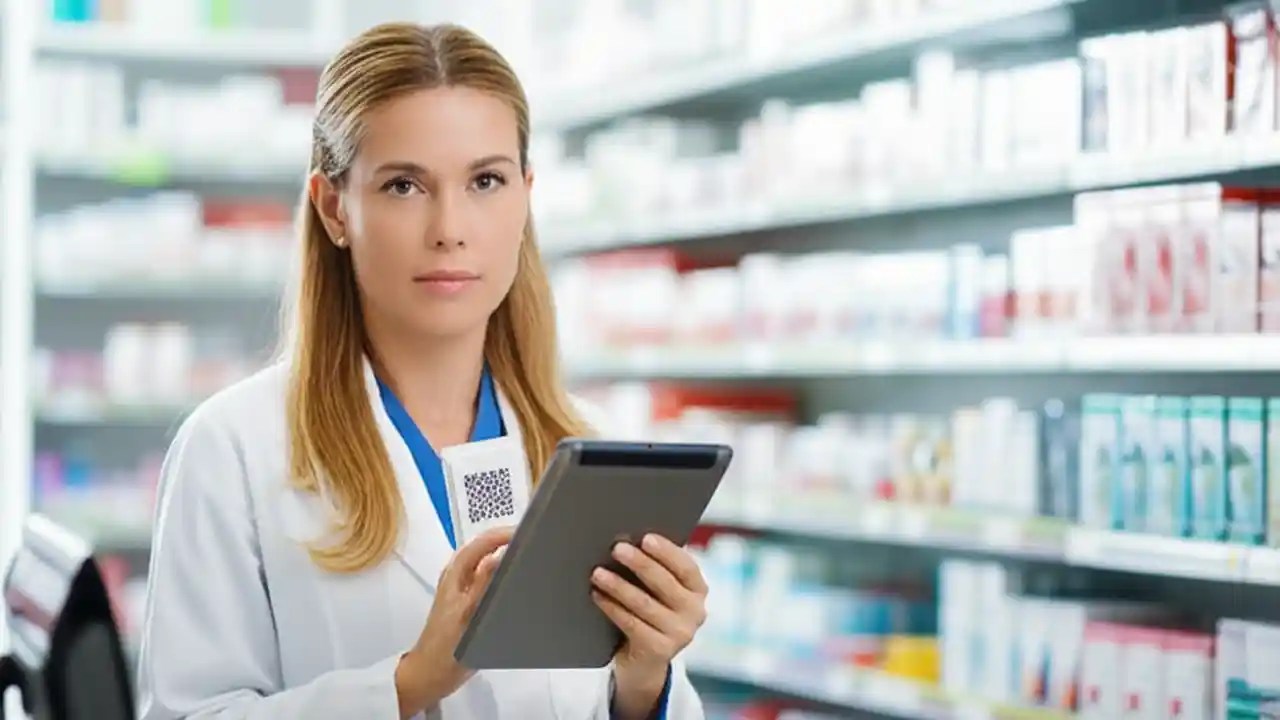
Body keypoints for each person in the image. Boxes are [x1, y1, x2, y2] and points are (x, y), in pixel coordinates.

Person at [136, 22, 709, 720]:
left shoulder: (593, 451)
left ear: (526, 196)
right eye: (405, 185)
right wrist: (409, 683)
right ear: (332, 207)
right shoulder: (232, 448)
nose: (450, 227)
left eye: (486, 181)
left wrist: (646, 679)